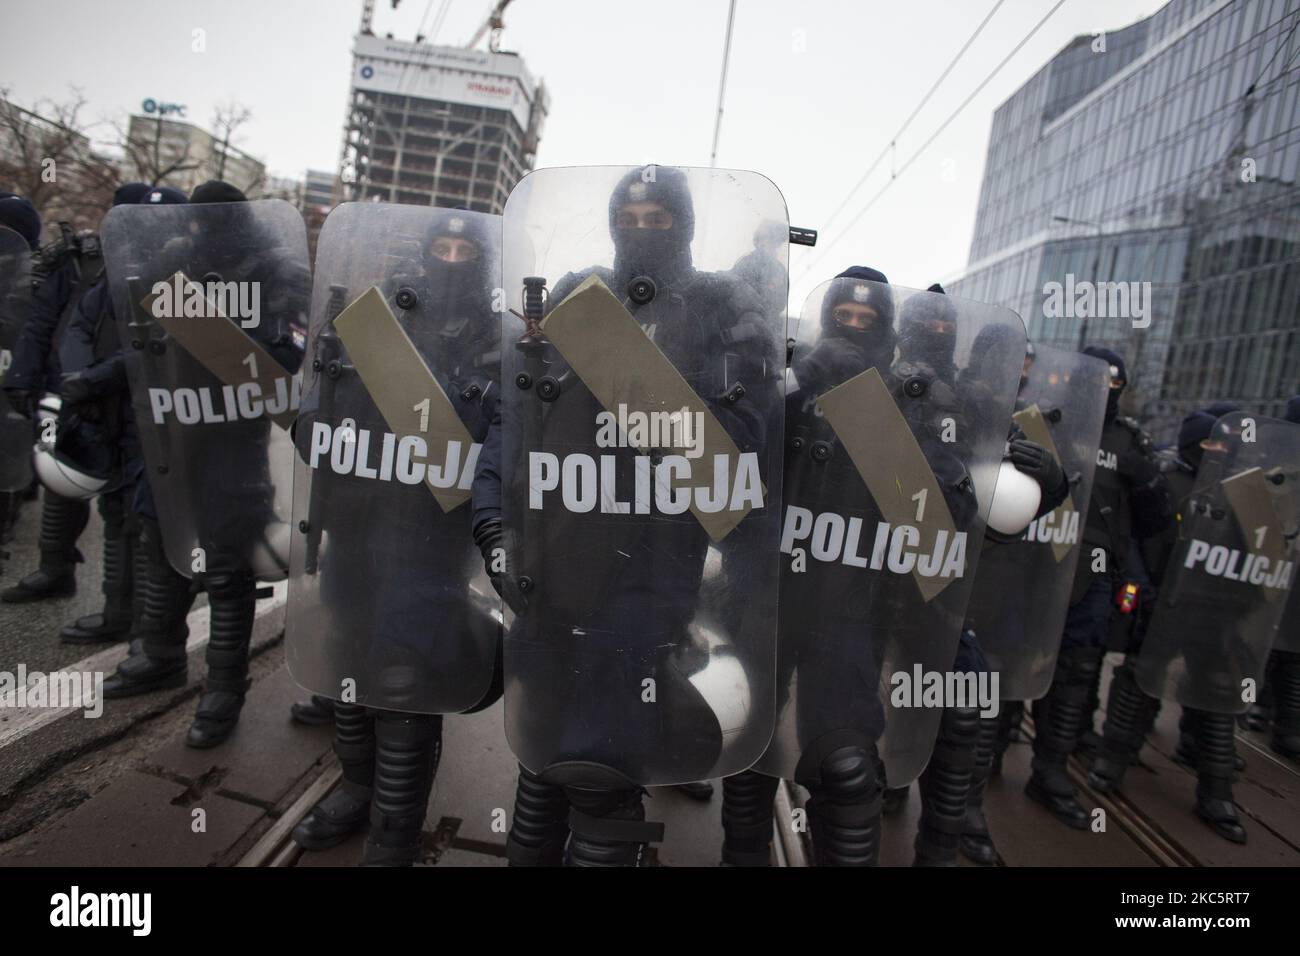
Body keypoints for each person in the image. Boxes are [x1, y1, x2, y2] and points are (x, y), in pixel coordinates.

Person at [476, 165, 782, 865]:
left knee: (605, 765)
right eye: (631, 216)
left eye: (661, 218)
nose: (642, 229)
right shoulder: (579, 299)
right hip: (554, 561)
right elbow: (514, 426)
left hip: (654, 568)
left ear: (687, 226)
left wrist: (743, 377)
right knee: (541, 754)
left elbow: (748, 458)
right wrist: (493, 526)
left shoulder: (718, 311)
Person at [288, 206, 504, 865]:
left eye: (463, 252)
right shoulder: (378, 324)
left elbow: (505, 449)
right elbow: (316, 423)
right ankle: (356, 786)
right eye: (439, 247)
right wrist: (315, 408)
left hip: (432, 540)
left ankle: (396, 831)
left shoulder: (495, 343)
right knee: (349, 662)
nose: (450, 260)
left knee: (407, 678)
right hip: (358, 527)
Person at [1024, 346, 1170, 829]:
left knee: (1075, 678)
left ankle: (1049, 772)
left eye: (1113, 382)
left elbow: (1153, 524)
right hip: (1029, 568)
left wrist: (1148, 483)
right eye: (1092, 377)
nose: (1103, 388)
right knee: (1003, 670)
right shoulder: (1041, 420)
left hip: (1091, 579)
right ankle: (977, 777)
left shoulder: (1131, 443)